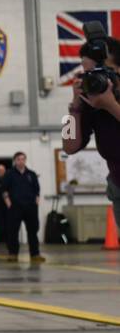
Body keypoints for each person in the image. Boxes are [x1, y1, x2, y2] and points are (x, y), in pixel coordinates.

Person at [62, 23, 120, 225]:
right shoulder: (92, 102)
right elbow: (68, 146)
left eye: (103, 71)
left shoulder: (105, 102)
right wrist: (74, 108)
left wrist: (111, 105)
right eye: (89, 72)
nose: (95, 78)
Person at [2, 152, 44, 263]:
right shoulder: (9, 174)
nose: (21, 161)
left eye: (23, 159)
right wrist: (8, 203)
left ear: (25, 160)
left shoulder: (31, 174)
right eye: (18, 159)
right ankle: (13, 254)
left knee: (33, 231)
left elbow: (37, 190)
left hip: (30, 207)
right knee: (13, 231)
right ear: (15, 161)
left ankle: (35, 254)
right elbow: (4, 189)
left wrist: (36, 201)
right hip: (15, 207)